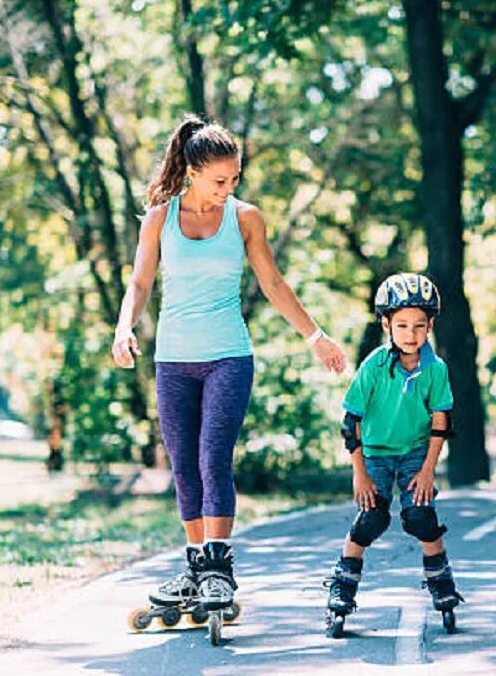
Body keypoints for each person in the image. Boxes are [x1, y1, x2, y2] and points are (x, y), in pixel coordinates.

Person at [112, 115, 345, 619]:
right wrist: (123, 326)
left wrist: (316, 335)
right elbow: (140, 282)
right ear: (193, 171)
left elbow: (274, 284)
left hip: (228, 356)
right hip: (173, 359)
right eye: (220, 179)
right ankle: (196, 565)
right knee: (183, 466)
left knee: (213, 455)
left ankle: (218, 566)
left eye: (235, 178)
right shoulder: (159, 218)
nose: (228, 188)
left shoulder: (244, 218)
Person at [323, 273, 464, 637]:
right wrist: (360, 473)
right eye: (401, 325)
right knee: (370, 519)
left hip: (416, 451)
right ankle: (341, 587)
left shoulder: (436, 369)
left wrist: (429, 470)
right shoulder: (373, 366)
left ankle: (442, 583)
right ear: (386, 324)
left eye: (419, 325)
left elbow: (441, 420)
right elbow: (351, 420)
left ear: (430, 325)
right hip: (375, 455)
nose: (411, 334)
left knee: (420, 516)